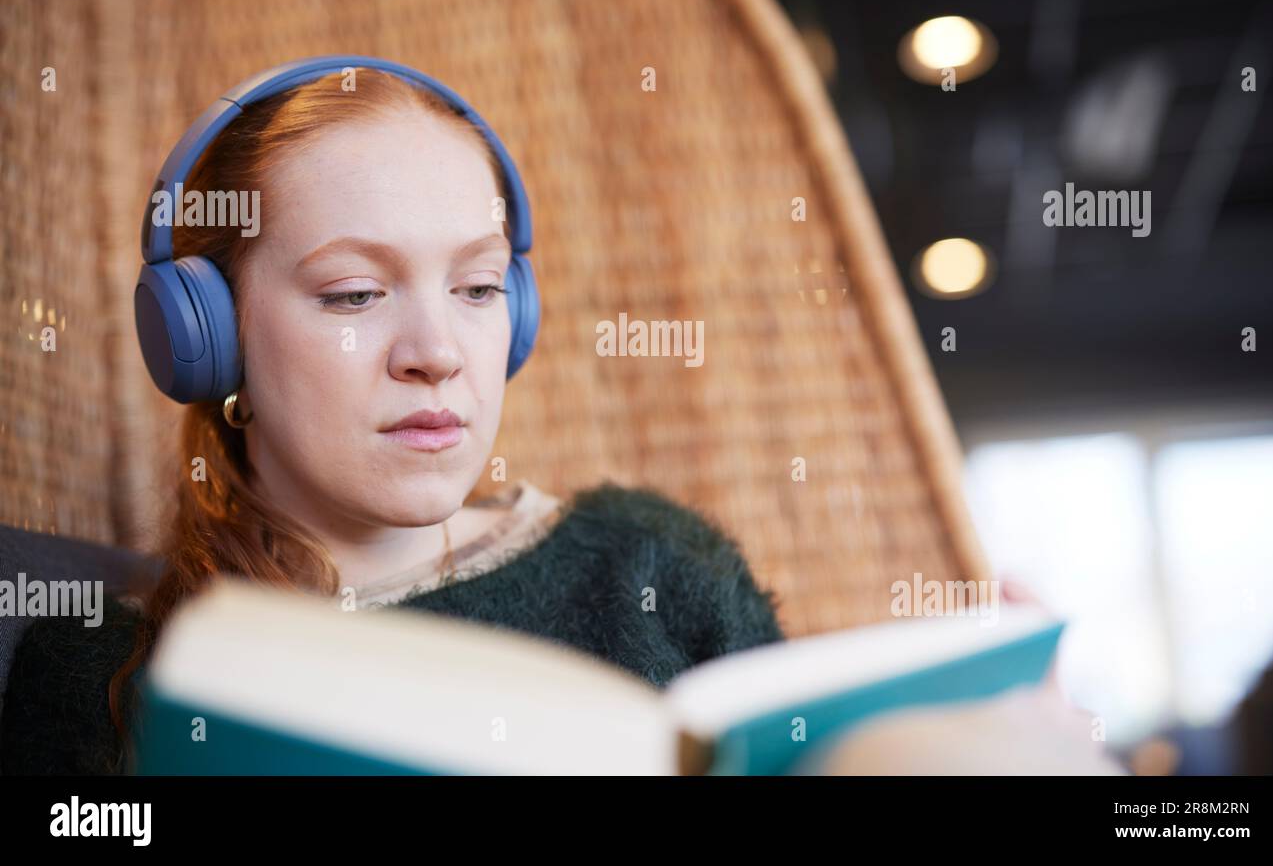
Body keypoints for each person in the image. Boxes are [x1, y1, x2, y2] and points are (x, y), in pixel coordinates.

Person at [0, 61, 785, 775]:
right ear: (206, 337)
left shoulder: (652, 560)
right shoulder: (107, 675)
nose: (437, 352)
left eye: (477, 288)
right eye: (354, 294)